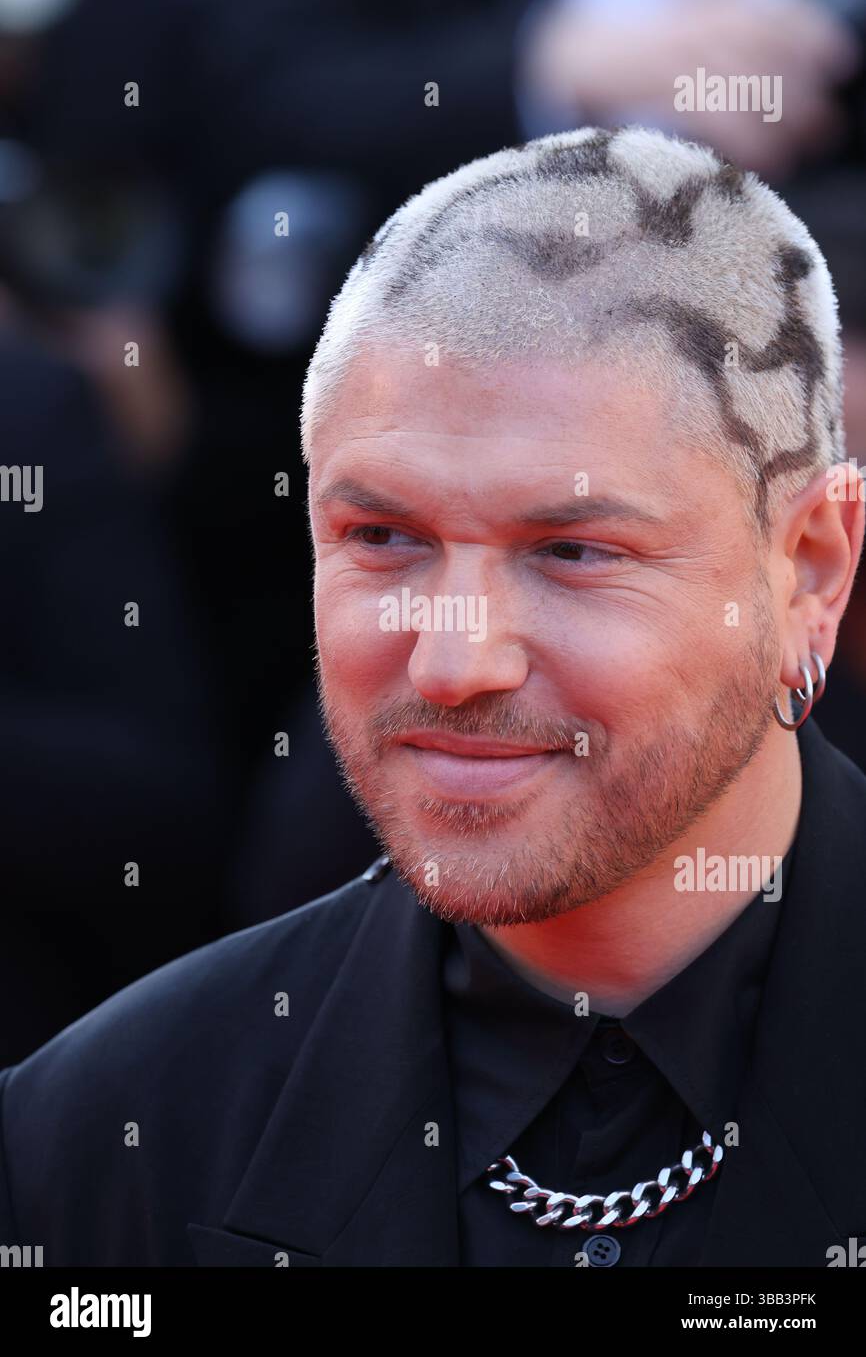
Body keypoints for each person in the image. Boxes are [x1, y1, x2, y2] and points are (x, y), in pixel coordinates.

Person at [1, 126, 864, 1267]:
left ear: (806, 566)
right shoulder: (98, 1139)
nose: (453, 664)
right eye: (383, 537)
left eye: (572, 550)